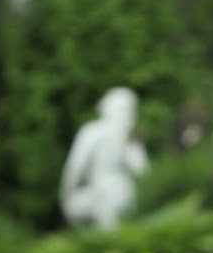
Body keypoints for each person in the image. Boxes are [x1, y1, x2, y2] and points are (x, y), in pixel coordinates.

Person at [59, 87, 148, 229]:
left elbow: (74, 168)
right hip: (126, 195)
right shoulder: (128, 137)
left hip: (101, 193)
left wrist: (65, 199)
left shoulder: (92, 131)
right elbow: (143, 172)